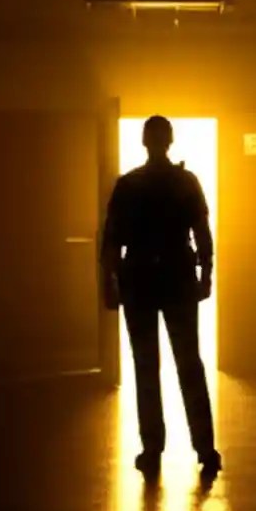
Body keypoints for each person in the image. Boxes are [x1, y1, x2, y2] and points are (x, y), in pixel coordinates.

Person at [101, 115, 222, 478]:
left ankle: (152, 448)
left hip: (138, 279)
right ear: (169, 141)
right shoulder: (185, 183)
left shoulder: (128, 186)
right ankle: (205, 448)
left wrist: (110, 283)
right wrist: (205, 275)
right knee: (189, 363)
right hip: (177, 277)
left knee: (145, 367)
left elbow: (111, 242)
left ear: (144, 141)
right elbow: (202, 234)